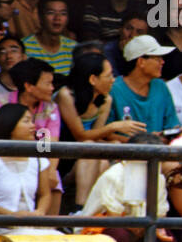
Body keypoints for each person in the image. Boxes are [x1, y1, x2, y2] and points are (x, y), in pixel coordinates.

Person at [56, 50, 146, 207]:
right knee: (89, 148)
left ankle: (98, 208)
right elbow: (81, 136)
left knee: (107, 155)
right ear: (92, 79)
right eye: (108, 76)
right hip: (63, 160)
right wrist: (113, 127)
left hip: (85, 156)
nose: (113, 80)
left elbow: (96, 137)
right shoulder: (66, 95)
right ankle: (80, 207)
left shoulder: (105, 100)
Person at [0, 103, 55, 235]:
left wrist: (39, 212)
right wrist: (13, 216)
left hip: (30, 226)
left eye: (32, 121)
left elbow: (45, 194)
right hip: (0, 229)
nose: (33, 126)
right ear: (10, 125)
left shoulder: (39, 160)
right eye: (26, 121)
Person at [108, 35, 181, 138]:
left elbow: (172, 123)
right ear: (141, 62)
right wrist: (141, 144)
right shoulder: (114, 89)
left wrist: (173, 133)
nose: (162, 62)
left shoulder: (160, 87)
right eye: (157, 58)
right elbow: (106, 133)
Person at [22, 0, 76, 76]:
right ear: (40, 16)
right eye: (51, 13)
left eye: (63, 13)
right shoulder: (24, 47)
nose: (57, 18)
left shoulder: (74, 49)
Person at [0, 34, 24, 99]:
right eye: (2, 52)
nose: (9, 56)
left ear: (23, 57)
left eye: (14, 51)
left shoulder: (32, 86)